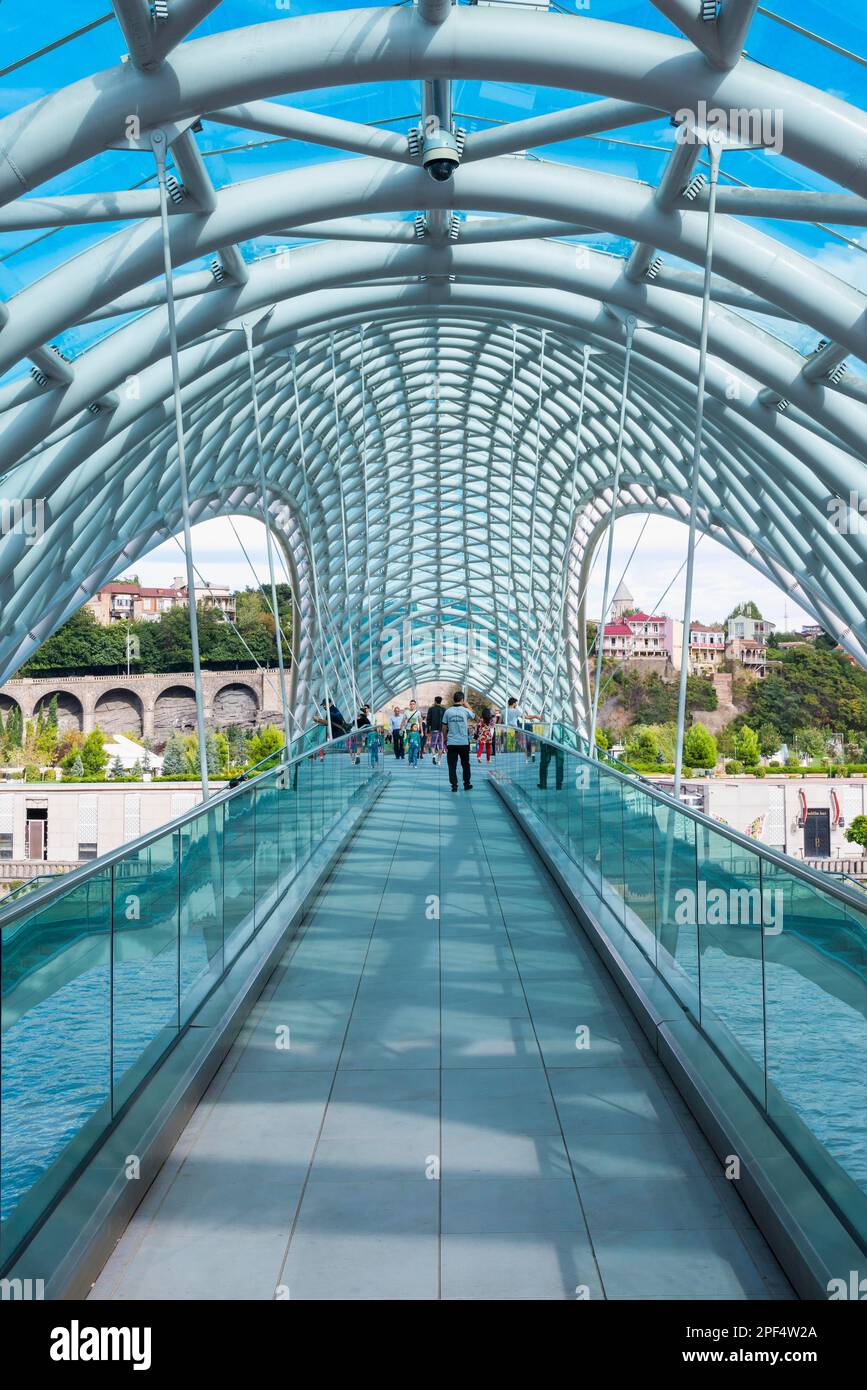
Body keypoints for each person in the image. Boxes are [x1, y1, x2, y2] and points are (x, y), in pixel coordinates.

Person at [443, 690, 475, 792]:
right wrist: (467, 705)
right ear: (462, 700)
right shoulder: (465, 711)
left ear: (454, 699)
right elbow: (473, 715)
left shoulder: (448, 711)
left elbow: (444, 726)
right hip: (463, 742)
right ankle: (466, 784)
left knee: (452, 765)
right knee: (465, 764)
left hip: (451, 742)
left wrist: (445, 738)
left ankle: (454, 785)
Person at [402, 699, 424, 767]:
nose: (412, 705)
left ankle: (415, 760)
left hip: (416, 730)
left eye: (413, 704)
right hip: (408, 730)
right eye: (411, 704)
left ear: (415, 705)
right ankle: (410, 760)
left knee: (416, 745)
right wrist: (401, 729)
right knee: (410, 745)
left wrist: (422, 731)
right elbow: (403, 721)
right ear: (409, 705)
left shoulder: (418, 712)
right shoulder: (406, 712)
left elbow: (420, 722)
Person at [425, 694, 446, 766]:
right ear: (441, 701)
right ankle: (439, 760)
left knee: (432, 745)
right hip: (441, 731)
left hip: (433, 730)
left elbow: (428, 720)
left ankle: (434, 755)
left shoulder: (431, 709)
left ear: (435, 701)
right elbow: (446, 721)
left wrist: (428, 730)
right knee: (441, 746)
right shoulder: (444, 709)